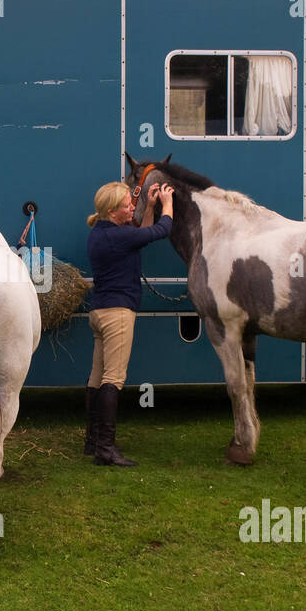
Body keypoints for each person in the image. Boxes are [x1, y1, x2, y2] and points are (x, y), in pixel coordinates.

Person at [83, 179, 174, 466]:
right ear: (113, 211)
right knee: (114, 379)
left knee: (97, 378)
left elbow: (141, 233)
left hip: (100, 313)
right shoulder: (117, 237)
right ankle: (106, 449)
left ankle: (93, 441)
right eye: (127, 205)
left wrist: (148, 203)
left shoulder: (102, 233)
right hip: (117, 314)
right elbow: (161, 230)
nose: (132, 208)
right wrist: (167, 204)